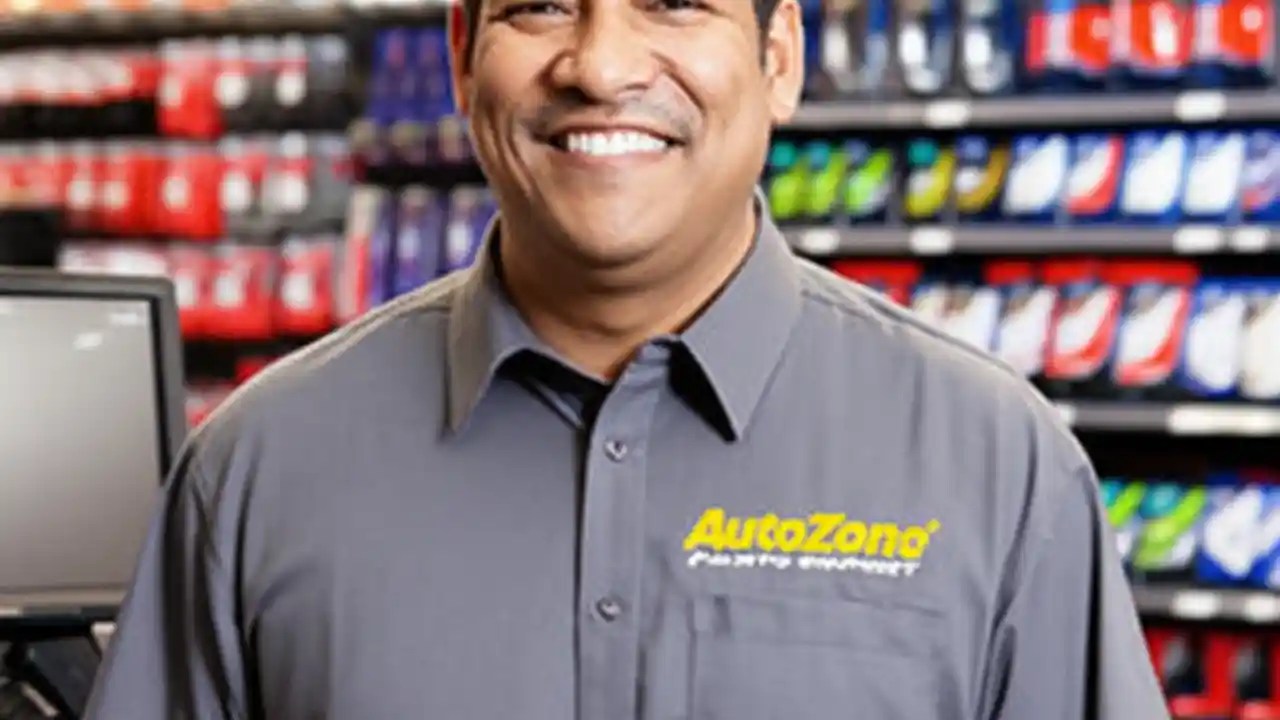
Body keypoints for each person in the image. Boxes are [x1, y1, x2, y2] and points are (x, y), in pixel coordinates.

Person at [87, 0, 1169, 718]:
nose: (600, 64)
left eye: (672, 1)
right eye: (540, 6)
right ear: (463, 57)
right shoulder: (257, 470)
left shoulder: (994, 466)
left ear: (777, 57)